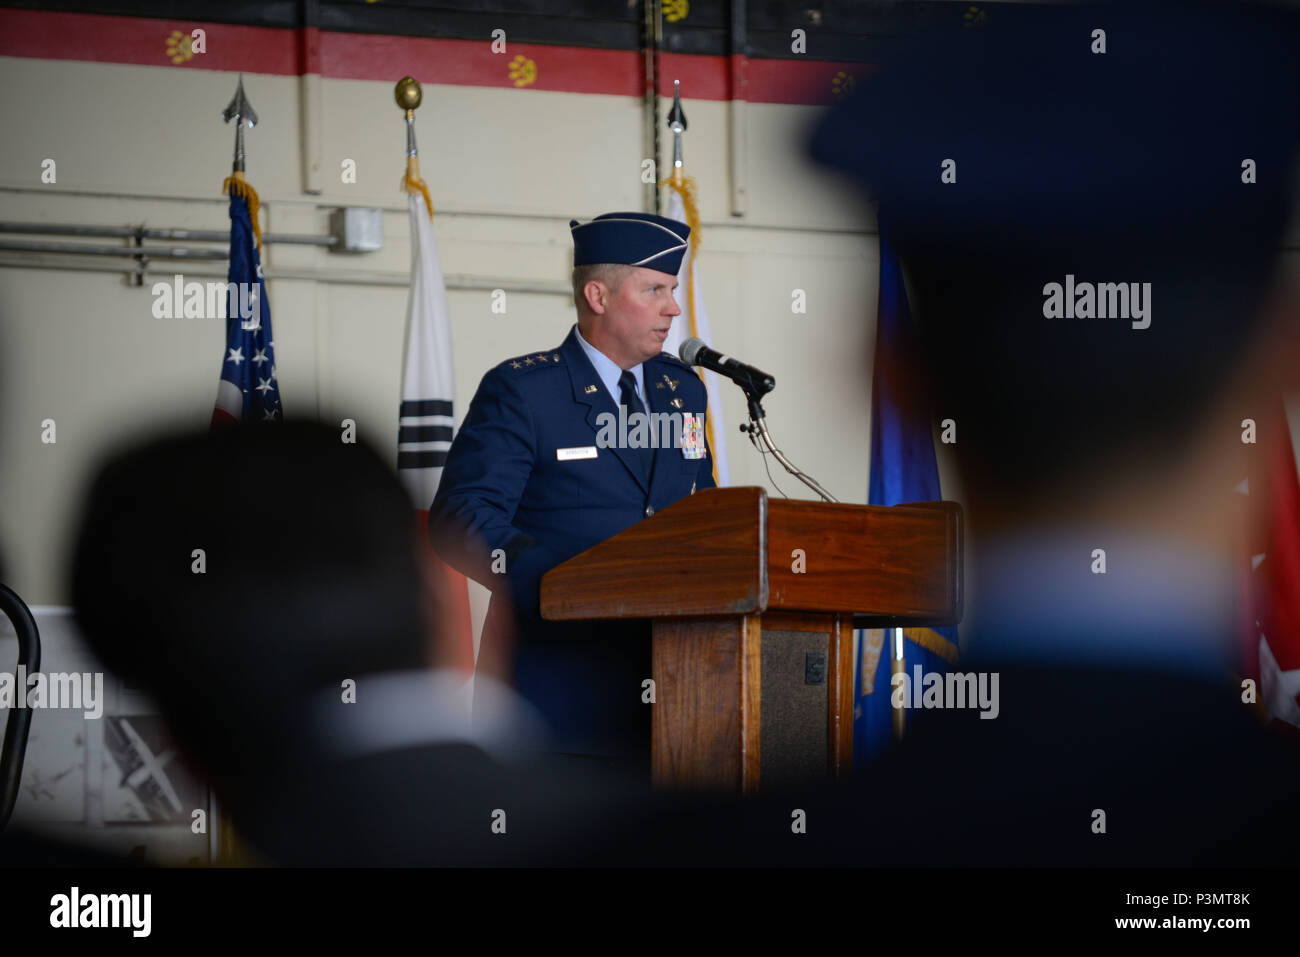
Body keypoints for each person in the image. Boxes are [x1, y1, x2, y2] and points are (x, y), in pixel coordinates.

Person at [428, 212, 716, 764]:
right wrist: (561, 584)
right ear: (598, 296)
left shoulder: (685, 393)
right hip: (560, 681)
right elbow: (461, 515)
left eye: (673, 291)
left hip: (682, 680)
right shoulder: (525, 390)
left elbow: (700, 513)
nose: (673, 309)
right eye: (655, 289)